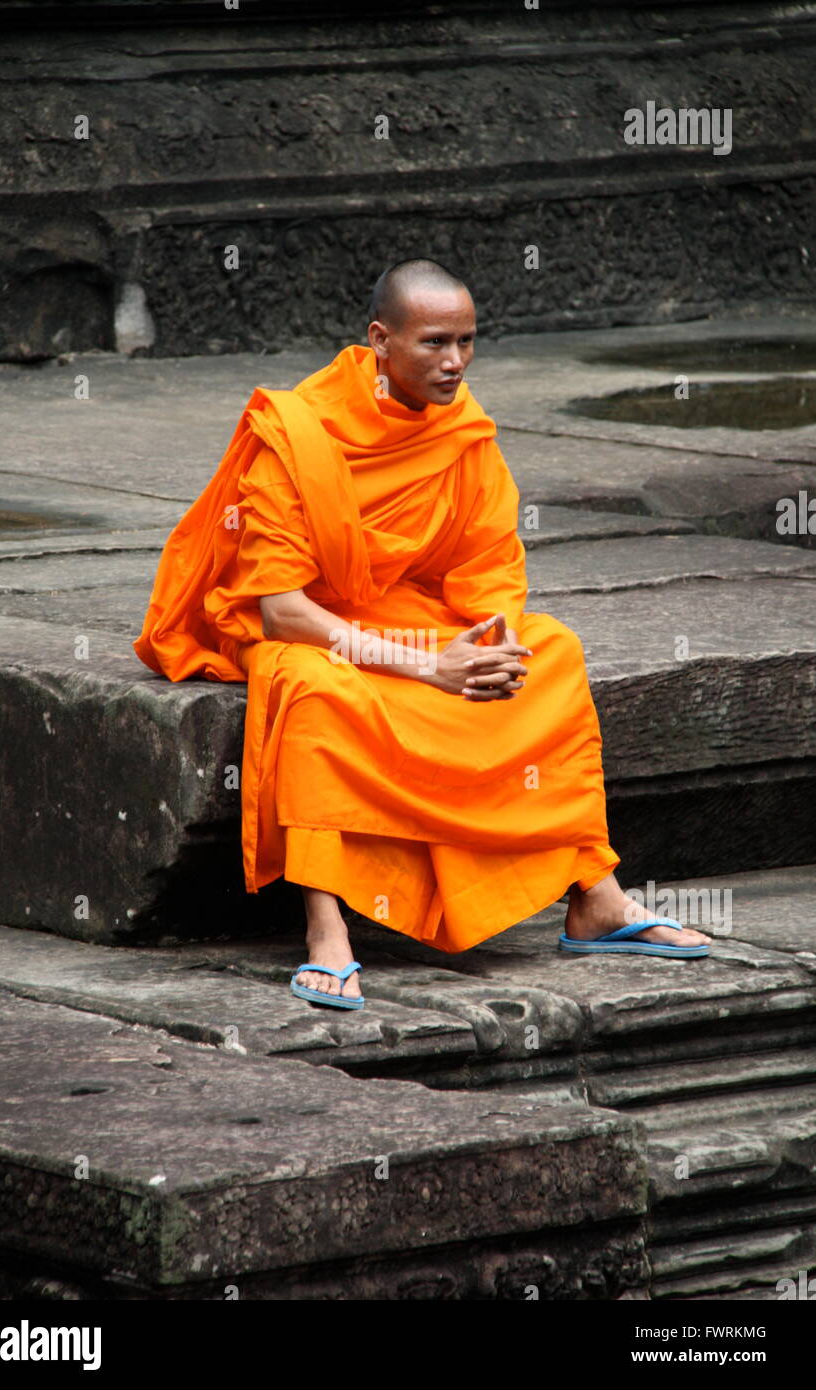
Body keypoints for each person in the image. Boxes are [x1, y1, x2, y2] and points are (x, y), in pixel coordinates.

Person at [134, 258, 710, 1010]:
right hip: (322, 632)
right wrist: (429, 667)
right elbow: (283, 612)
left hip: (421, 623)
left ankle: (595, 896)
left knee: (553, 654)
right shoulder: (298, 432)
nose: (455, 362)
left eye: (468, 341)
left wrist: (488, 643)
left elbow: (487, 560)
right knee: (306, 688)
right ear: (380, 339)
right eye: (435, 342)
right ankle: (326, 928)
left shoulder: (460, 426)